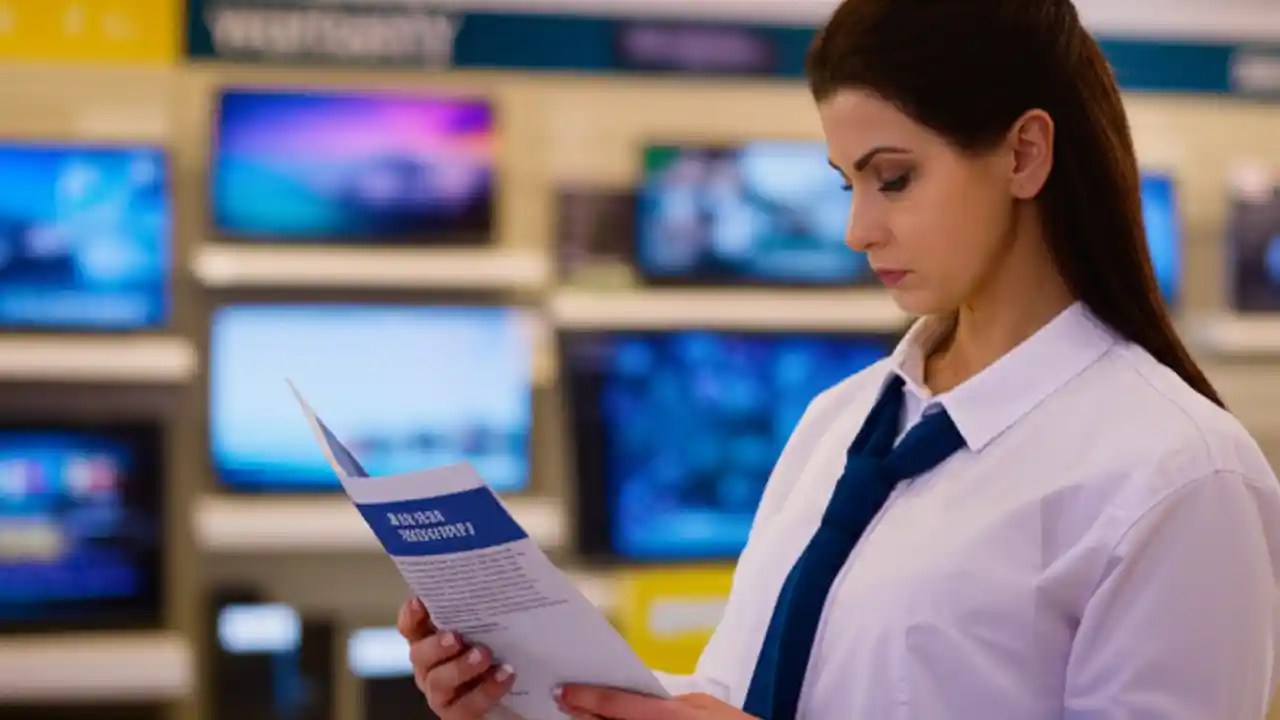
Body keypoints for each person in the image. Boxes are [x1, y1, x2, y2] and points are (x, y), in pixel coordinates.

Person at [398, 0, 1280, 717]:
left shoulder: (1179, 476)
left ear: (1024, 152)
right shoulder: (841, 423)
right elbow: (735, 695)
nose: (860, 230)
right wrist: (542, 695)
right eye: (846, 182)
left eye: (893, 177)